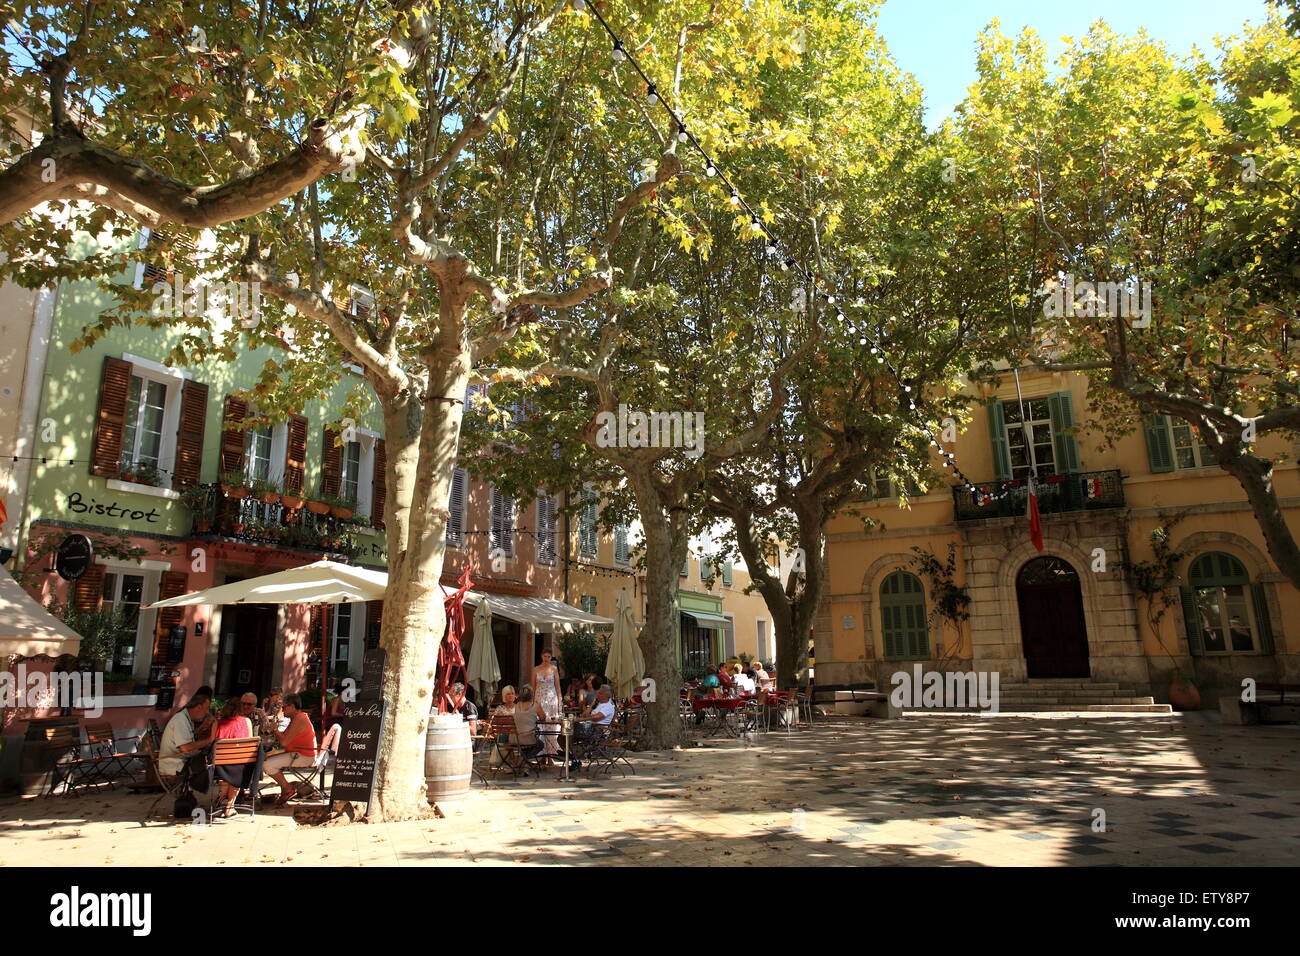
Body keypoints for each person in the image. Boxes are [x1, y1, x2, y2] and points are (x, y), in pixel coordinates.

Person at [262, 694, 317, 807]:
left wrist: (275, 729)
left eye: (284, 707)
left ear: (292, 706)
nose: (282, 710)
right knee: (266, 758)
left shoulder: (300, 718)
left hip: (303, 756)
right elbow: (284, 738)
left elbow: (284, 742)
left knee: (266, 764)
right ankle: (286, 788)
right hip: (298, 753)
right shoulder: (296, 718)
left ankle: (287, 788)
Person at [211, 699, 255, 817]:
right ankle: (230, 805)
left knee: (225, 766)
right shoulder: (247, 722)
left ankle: (222, 798)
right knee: (238, 765)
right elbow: (249, 744)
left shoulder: (217, 723)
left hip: (221, 766)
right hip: (240, 766)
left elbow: (212, 744)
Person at [159, 692, 214, 782]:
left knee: (207, 759)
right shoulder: (180, 720)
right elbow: (185, 747)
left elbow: (188, 739)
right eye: (207, 708)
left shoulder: (186, 718)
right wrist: (210, 739)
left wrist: (200, 729)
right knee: (209, 764)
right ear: (198, 707)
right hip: (175, 766)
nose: (207, 712)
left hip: (179, 762)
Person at [531, 650, 563, 757]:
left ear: (551, 658)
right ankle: (541, 755)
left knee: (551, 726)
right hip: (539, 699)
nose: (546, 658)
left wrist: (560, 702)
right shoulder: (535, 669)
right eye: (545, 656)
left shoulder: (554, 669)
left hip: (551, 700)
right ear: (541, 656)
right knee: (540, 725)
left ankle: (551, 755)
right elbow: (533, 687)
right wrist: (532, 702)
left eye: (549, 657)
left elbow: (558, 687)